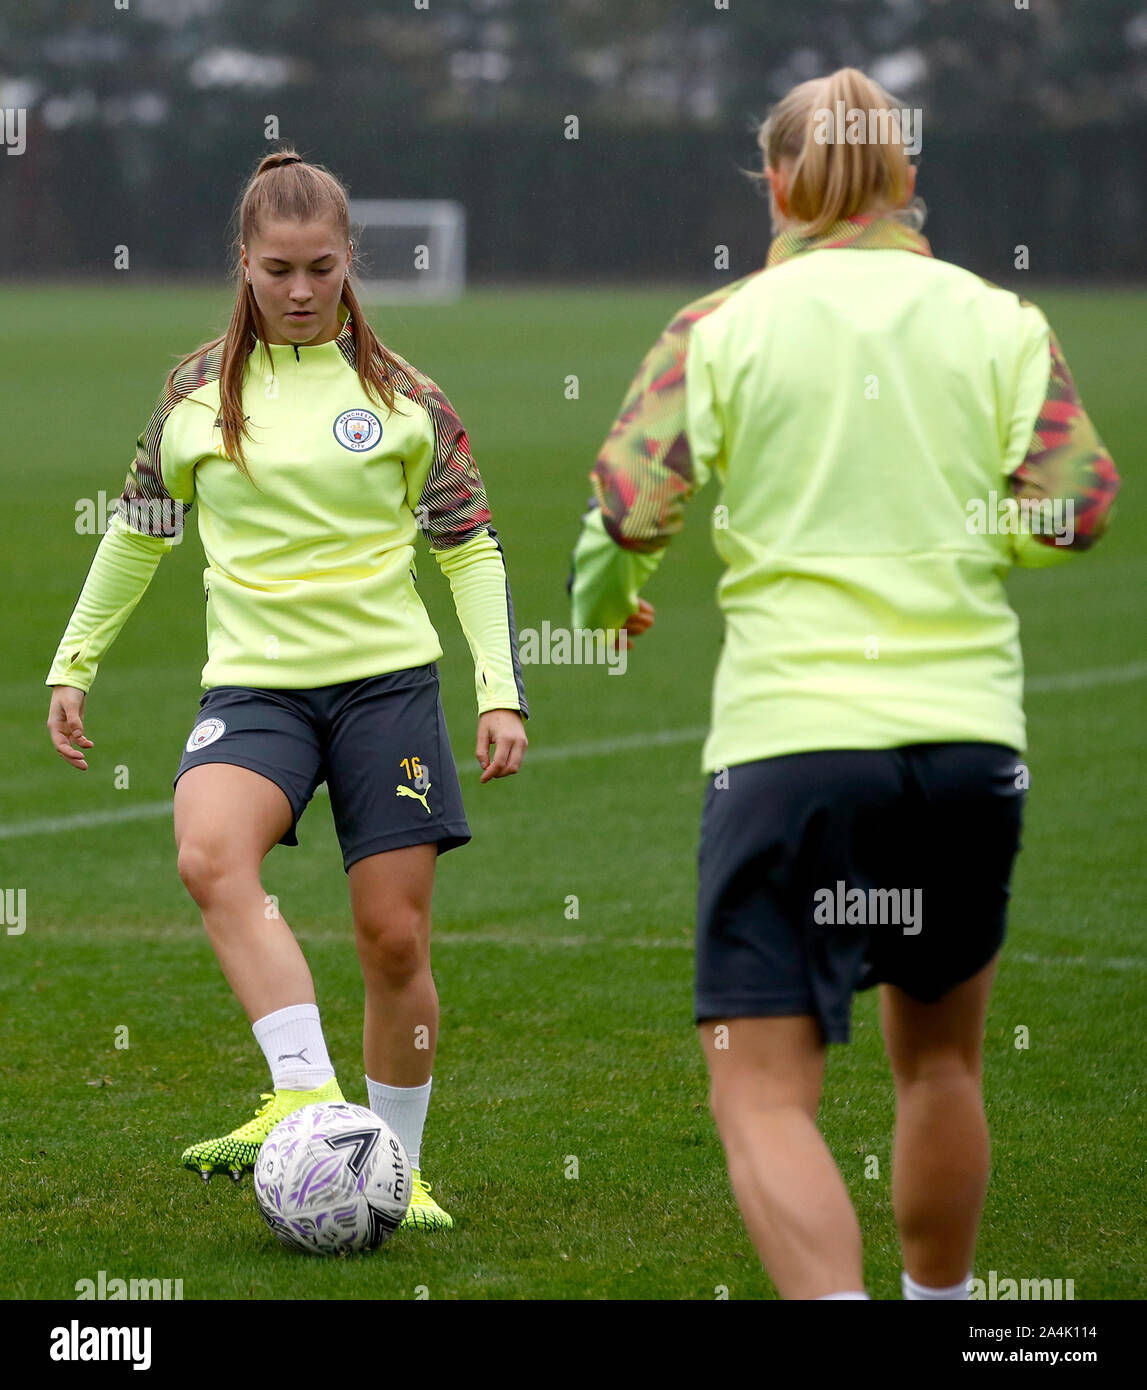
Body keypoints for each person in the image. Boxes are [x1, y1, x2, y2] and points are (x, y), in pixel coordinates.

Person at [568, 68, 1119, 1298]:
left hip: (793, 750)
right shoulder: (998, 318)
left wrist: (606, 604)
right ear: (907, 179)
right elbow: (1077, 506)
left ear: (774, 184)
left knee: (763, 1095)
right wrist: (970, 533)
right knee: (939, 1067)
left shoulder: (718, 328)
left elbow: (627, 506)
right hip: (970, 750)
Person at [45, 148, 529, 1232]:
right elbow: (140, 530)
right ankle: (306, 1092)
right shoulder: (191, 391)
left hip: (385, 690)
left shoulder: (404, 397)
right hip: (256, 689)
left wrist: (500, 689)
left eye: (320, 267)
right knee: (208, 850)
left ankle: (394, 1171)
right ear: (244, 264)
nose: (301, 290)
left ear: (351, 259)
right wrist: (72, 662)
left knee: (392, 937)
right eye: (278, 270)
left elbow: (470, 546)